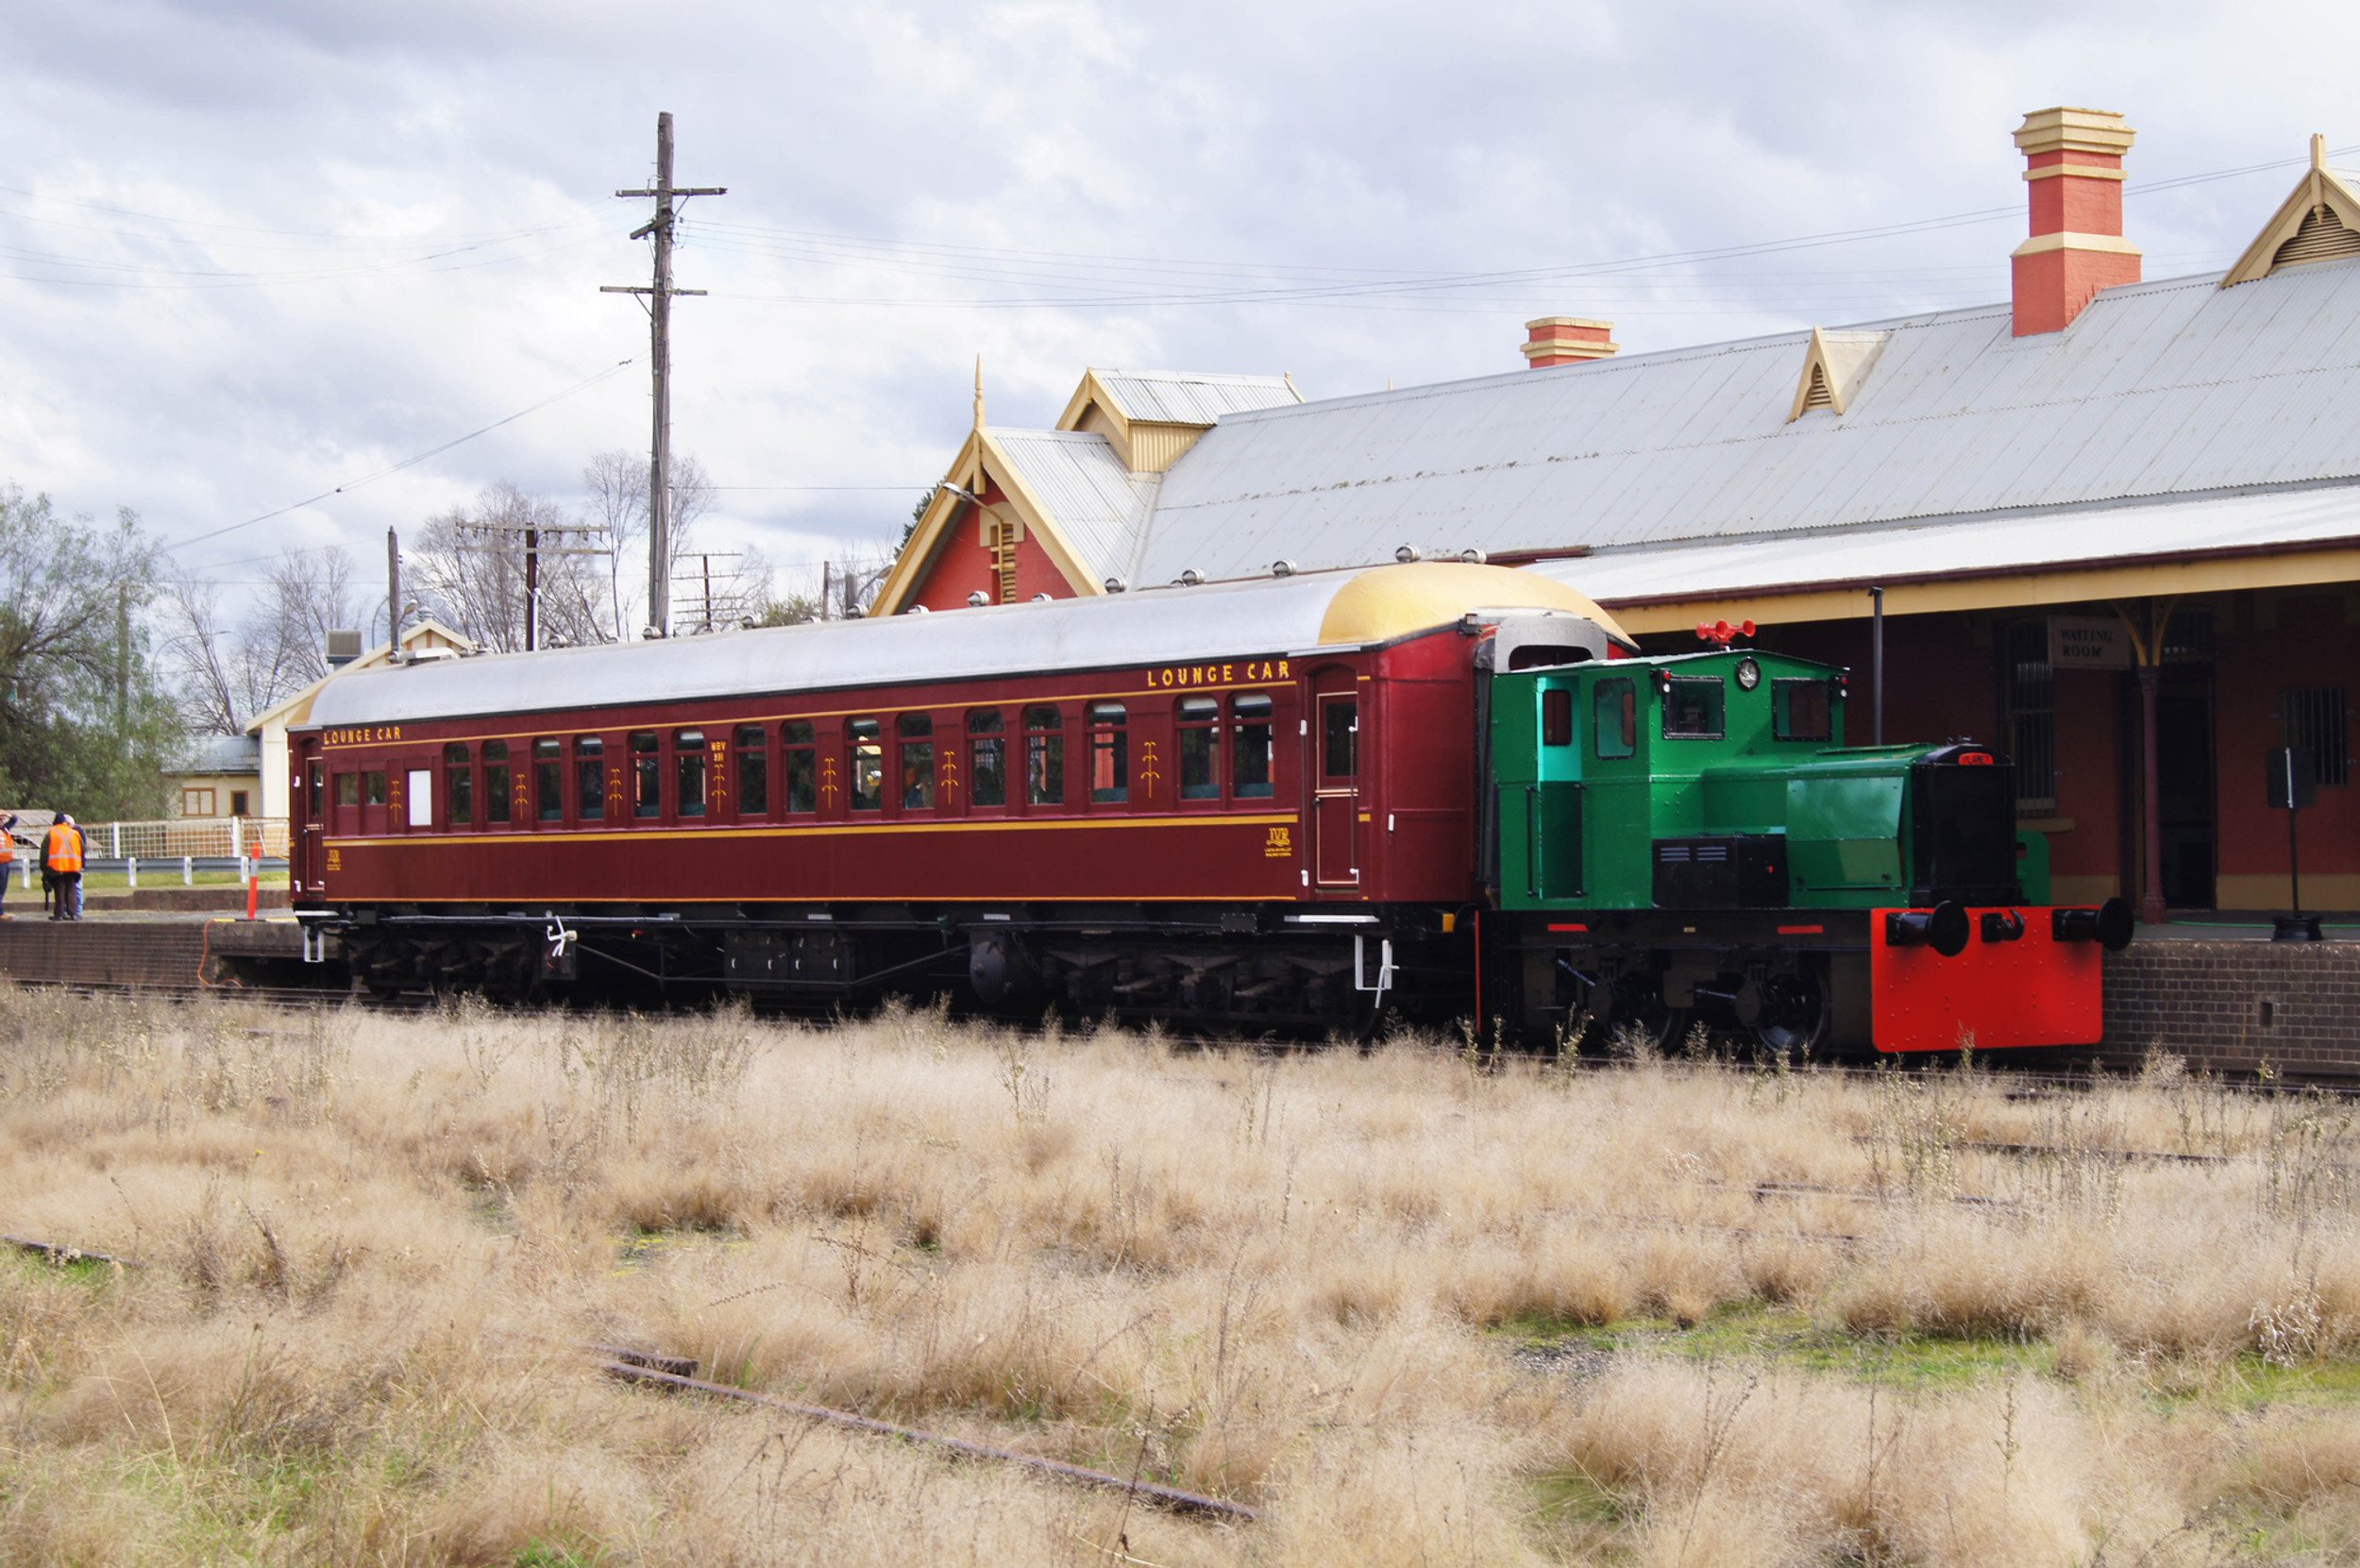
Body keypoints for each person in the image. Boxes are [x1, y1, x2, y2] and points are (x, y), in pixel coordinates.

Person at [43, 813, 85, 921]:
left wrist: (44, 868)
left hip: (57, 866)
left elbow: (44, 852)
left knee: (60, 890)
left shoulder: (51, 833)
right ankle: (73, 913)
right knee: (71, 890)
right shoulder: (74, 833)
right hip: (73, 865)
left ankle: (59, 914)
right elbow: (83, 848)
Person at [0, 812, 17, 919]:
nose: (2, 821)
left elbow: (14, 820)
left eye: (2, 819)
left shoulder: (5, 829)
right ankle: (0, 913)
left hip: (6, 863)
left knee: (3, 888)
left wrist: (7, 814)